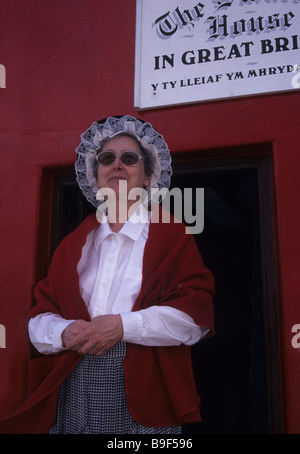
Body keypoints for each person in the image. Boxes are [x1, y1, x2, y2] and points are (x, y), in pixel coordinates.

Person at [4, 115, 215, 434]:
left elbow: (194, 321)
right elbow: (36, 323)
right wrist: (64, 331)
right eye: (106, 158)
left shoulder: (172, 235)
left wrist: (121, 326)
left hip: (145, 392)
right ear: (96, 176)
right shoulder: (72, 244)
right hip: (71, 385)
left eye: (129, 158)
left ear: (147, 176)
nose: (116, 165)